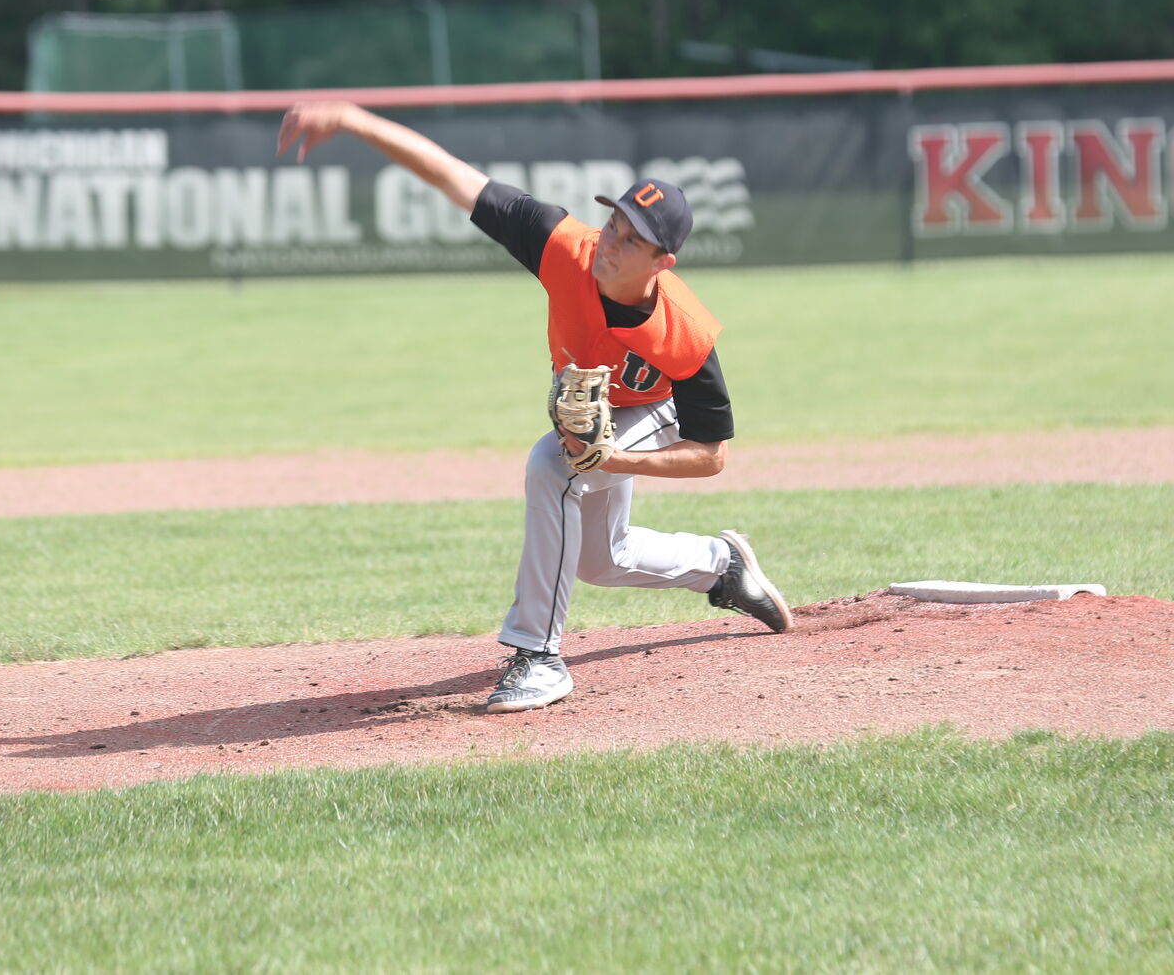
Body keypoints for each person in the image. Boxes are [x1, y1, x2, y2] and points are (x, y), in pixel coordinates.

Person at [276, 101, 792, 713]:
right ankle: (722, 566)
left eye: (634, 242)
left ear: (663, 263)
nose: (612, 245)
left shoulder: (684, 336)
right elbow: (453, 176)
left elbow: (711, 455)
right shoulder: (562, 246)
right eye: (616, 226)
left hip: (655, 415)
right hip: (602, 420)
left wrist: (619, 459)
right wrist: (353, 121)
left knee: (553, 465)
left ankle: (538, 657)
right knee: (603, 558)